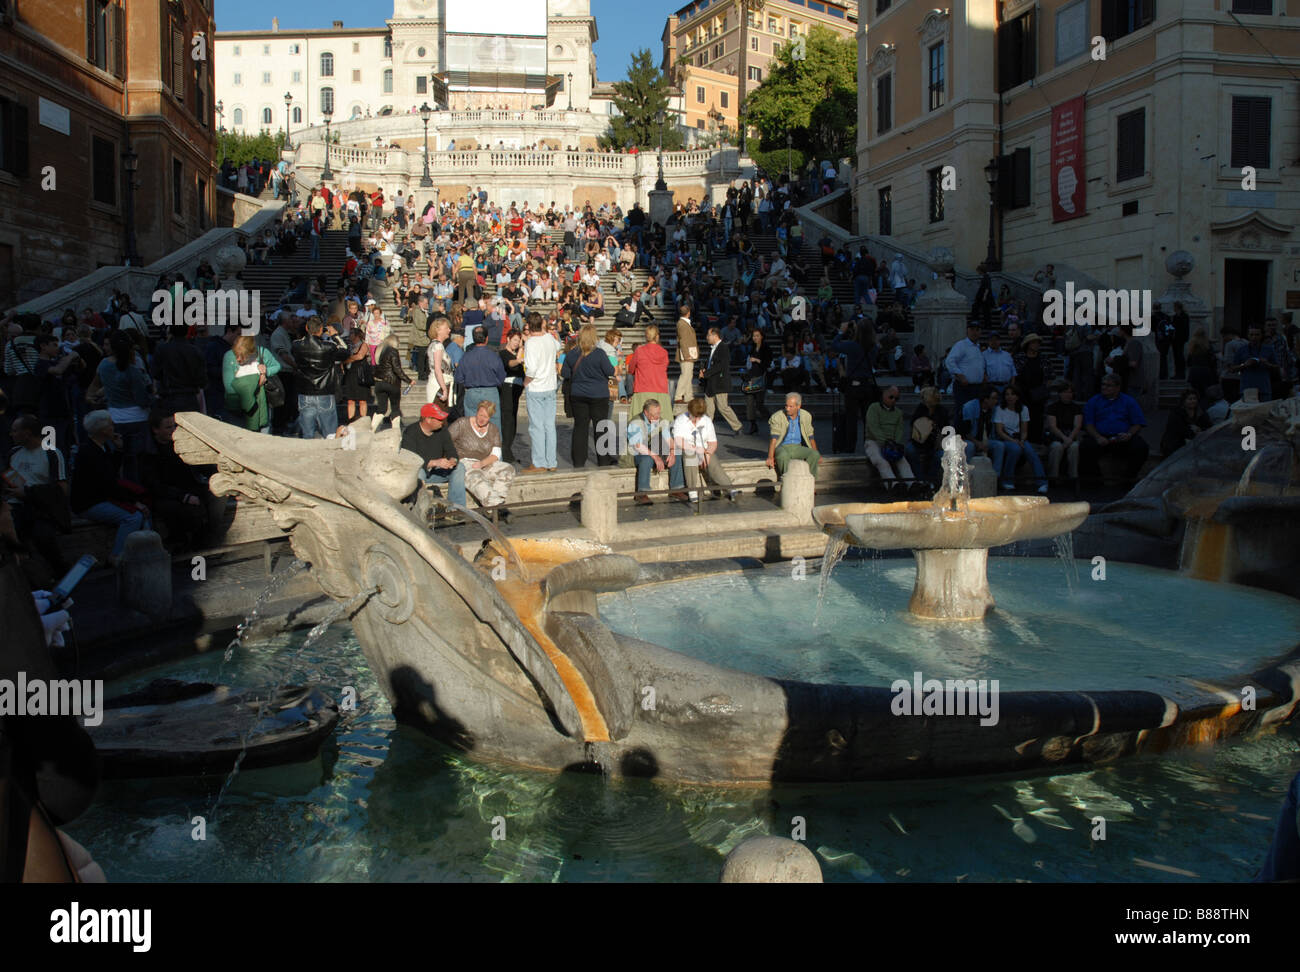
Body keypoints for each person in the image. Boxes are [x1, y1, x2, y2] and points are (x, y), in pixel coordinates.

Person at [71, 410, 152, 566]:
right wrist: (133, 502)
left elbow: (110, 474)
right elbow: (107, 483)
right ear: (103, 430)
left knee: (142, 512)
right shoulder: (89, 452)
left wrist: (119, 450)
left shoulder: (101, 448)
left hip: (100, 497)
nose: (114, 427)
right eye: (110, 424)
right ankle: (116, 555)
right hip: (89, 502)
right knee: (132, 517)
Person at [3, 414, 70, 580]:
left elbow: (62, 489)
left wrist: (28, 493)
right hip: (15, 505)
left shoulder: (51, 453)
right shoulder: (14, 452)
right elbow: (10, 476)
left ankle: (60, 574)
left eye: (15, 431)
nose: (11, 434)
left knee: (43, 537)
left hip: (40, 508)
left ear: (27, 433)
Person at [95, 330, 153, 481]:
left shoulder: (103, 365)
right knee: (136, 462)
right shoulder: (132, 370)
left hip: (115, 416)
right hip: (137, 417)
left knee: (120, 459)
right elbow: (141, 399)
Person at [561, 324, 617, 468]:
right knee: (600, 427)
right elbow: (610, 371)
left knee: (580, 427)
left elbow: (565, 373)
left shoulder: (572, 354)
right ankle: (603, 460)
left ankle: (579, 461)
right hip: (599, 395)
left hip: (578, 394)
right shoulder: (599, 354)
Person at [449, 400, 516, 518]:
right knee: (476, 477)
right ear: (476, 412)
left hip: (485, 461)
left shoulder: (493, 429)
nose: (481, 419)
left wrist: (482, 463)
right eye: (480, 415)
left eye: (485, 417)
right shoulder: (462, 424)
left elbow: (495, 454)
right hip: (465, 462)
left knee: (508, 469)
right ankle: (500, 509)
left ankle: (492, 508)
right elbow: (446, 440)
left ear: (490, 417)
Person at [291, 316, 351, 439]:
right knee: (329, 434)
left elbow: (299, 342)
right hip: (324, 392)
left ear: (307, 328)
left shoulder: (297, 346)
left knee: (307, 434)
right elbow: (346, 351)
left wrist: (309, 332)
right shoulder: (328, 346)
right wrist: (334, 335)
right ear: (320, 330)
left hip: (305, 392)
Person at [1081, 374, 1149, 483]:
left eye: (1109, 385)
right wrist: (1098, 437)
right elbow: (1088, 424)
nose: (1104, 387)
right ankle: (1095, 480)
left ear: (1118, 387)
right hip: (1100, 437)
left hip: (1122, 438)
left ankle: (1128, 478)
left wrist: (1129, 434)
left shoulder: (1129, 401)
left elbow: (1138, 423)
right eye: (1103, 384)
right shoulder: (1093, 401)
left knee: (1141, 447)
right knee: (1086, 447)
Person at [400, 401, 466, 510]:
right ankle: (417, 509)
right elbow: (410, 460)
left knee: (460, 467)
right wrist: (434, 462)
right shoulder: (410, 432)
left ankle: (456, 508)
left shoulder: (443, 430)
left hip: (436, 472)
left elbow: (452, 451)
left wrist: (452, 460)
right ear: (428, 419)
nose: (442, 422)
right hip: (419, 472)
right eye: (439, 419)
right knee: (418, 472)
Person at [673, 396, 737, 502]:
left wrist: (707, 454)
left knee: (713, 462)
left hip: (704, 450)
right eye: (695, 416)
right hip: (688, 448)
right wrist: (697, 449)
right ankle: (692, 490)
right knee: (691, 457)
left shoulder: (706, 420)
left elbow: (713, 442)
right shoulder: (680, 420)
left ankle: (729, 487)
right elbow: (679, 441)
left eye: (699, 416)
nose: (697, 419)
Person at [521, 315, 562, 472]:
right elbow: (558, 346)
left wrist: (526, 382)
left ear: (529, 326)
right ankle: (551, 461)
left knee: (537, 427)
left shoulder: (531, 343)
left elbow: (531, 368)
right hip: (550, 385)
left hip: (536, 386)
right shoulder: (548, 339)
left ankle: (539, 462)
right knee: (549, 426)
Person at [627, 398, 686, 505]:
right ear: (646, 412)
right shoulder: (635, 423)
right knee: (646, 458)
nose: (657, 416)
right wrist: (656, 457)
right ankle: (641, 493)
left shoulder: (660, 421)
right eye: (654, 414)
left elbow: (669, 440)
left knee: (677, 452)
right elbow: (638, 446)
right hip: (637, 453)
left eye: (659, 413)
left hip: (654, 449)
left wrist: (672, 452)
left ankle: (676, 489)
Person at [993, 385, 1048, 493]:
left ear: (1017, 396)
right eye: (1007, 394)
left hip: (1019, 438)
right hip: (1006, 438)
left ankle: (1042, 482)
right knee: (1015, 450)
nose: (1010, 397)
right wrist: (1014, 441)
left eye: (1012, 394)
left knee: (1031, 452)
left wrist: (1022, 440)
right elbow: (999, 431)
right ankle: (1007, 480)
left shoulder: (1023, 409)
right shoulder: (1000, 409)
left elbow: (1024, 430)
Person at [455, 325, 507, 430]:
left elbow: (459, 377)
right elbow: (501, 376)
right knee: (493, 424)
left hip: (472, 391)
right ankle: (494, 445)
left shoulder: (466, 356)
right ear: (487, 338)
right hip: (490, 391)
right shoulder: (493, 356)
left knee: (472, 423)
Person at [767, 392, 820, 480]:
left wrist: (817, 453)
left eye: (791, 406)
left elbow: (811, 437)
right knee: (783, 456)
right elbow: (773, 439)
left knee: (814, 454)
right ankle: (786, 481)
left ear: (798, 406)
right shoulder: (777, 417)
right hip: (782, 447)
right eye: (786, 406)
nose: (787, 409)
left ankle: (811, 483)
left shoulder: (806, 416)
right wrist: (770, 457)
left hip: (797, 447)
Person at [699, 326, 742, 435]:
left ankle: (737, 427)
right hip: (710, 383)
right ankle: (706, 429)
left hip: (720, 383)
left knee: (723, 407)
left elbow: (721, 365)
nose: (707, 337)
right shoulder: (713, 348)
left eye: (709, 335)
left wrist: (706, 373)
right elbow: (711, 363)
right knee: (708, 408)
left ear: (715, 335)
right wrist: (704, 370)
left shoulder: (723, 347)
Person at [627, 323, 672, 422]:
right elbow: (665, 367)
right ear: (657, 337)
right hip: (660, 390)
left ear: (646, 336)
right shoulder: (664, 352)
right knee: (661, 424)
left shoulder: (639, 351)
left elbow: (630, 369)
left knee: (639, 423)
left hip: (642, 389)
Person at [226, 336, 272, 432]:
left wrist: (265, 372)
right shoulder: (231, 360)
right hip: (241, 409)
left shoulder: (259, 358)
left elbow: (276, 366)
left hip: (254, 407)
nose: (238, 359)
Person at [960, 384, 1007, 474]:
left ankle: (996, 476)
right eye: (993, 398)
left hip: (986, 439)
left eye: (997, 399)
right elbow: (964, 432)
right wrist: (977, 443)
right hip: (969, 439)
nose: (996, 401)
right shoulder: (969, 408)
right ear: (985, 399)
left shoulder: (994, 410)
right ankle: (967, 477)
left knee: (999, 445)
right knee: (970, 446)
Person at [372, 333, 414, 431]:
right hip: (392, 383)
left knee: (381, 409)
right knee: (395, 408)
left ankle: (372, 429)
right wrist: (408, 380)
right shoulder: (393, 351)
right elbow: (397, 369)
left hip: (379, 382)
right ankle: (395, 431)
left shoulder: (379, 350)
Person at [1228, 324, 1280, 402]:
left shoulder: (1269, 349)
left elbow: (1277, 367)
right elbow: (1232, 369)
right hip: (1247, 389)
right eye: (1251, 335)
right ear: (1248, 335)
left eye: (1257, 335)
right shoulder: (1241, 350)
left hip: (1264, 389)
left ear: (1261, 335)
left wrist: (1267, 364)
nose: (1254, 337)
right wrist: (1245, 365)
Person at [1044, 381, 1084, 483]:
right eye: (1065, 392)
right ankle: (1053, 478)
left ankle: (1073, 478)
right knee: (1056, 447)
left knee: (1074, 447)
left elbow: (1077, 425)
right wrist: (1064, 438)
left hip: (1071, 435)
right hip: (1056, 436)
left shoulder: (1076, 408)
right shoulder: (1052, 407)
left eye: (1070, 392)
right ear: (1060, 393)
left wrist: (1069, 438)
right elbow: (1053, 426)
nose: (1068, 395)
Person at [946, 321, 986, 411]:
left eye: (977, 330)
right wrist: (960, 375)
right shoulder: (961, 345)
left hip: (977, 387)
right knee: (962, 413)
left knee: (974, 413)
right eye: (972, 330)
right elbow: (949, 361)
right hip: (964, 387)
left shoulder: (978, 347)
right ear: (967, 331)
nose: (974, 332)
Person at [499, 330, 526, 463]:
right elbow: (510, 363)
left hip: (516, 390)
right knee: (507, 421)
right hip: (507, 389)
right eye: (514, 340)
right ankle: (506, 452)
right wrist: (519, 360)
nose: (516, 343)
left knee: (512, 421)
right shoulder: (504, 353)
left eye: (518, 340)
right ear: (508, 339)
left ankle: (508, 451)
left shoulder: (516, 353)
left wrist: (520, 349)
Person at [1160, 388, 1211, 458]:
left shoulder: (1201, 412)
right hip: (1176, 443)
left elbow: (1209, 426)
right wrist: (1193, 432)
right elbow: (1179, 430)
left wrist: (1199, 429)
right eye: (1190, 399)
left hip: (1197, 440)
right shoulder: (1176, 413)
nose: (1193, 401)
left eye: (1194, 399)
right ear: (1183, 401)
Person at [425, 315, 457, 408]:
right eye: (446, 328)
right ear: (438, 330)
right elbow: (438, 369)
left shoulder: (433, 344)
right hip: (439, 384)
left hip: (438, 382)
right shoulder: (438, 346)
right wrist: (444, 389)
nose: (449, 330)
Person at [674, 303, 699, 404]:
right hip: (687, 353)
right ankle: (678, 395)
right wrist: (686, 354)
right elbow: (683, 340)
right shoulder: (682, 324)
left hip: (689, 352)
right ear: (689, 313)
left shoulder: (683, 323)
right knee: (685, 374)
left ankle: (689, 395)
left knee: (689, 375)